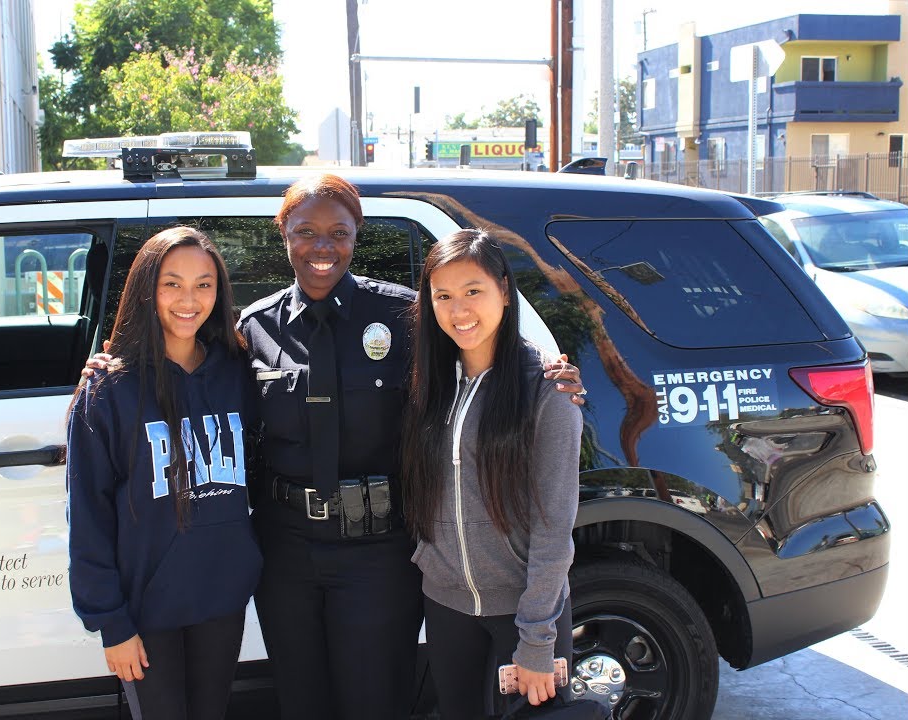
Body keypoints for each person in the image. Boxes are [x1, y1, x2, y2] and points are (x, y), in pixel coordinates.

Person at [82, 174, 586, 720]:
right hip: (286, 554)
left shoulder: (404, 316)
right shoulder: (254, 330)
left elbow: (476, 337)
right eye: (305, 232)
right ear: (284, 236)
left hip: (378, 552)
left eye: (338, 233)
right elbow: (191, 369)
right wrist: (112, 363)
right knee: (301, 702)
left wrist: (552, 372)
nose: (322, 248)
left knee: (375, 701)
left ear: (356, 236)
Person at [65, 226, 262, 720]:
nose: (189, 299)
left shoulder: (238, 372)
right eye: (172, 283)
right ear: (146, 289)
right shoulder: (110, 389)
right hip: (146, 611)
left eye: (204, 284)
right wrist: (111, 623)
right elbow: (88, 516)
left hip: (220, 601)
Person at [401, 229, 586, 719]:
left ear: (504, 290)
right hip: (447, 607)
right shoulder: (430, 387)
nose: (459, 311)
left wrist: (537, 640)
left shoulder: (548, 391)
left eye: (472, 292)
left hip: (523, 613)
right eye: (443, 296)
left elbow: (554, 531)